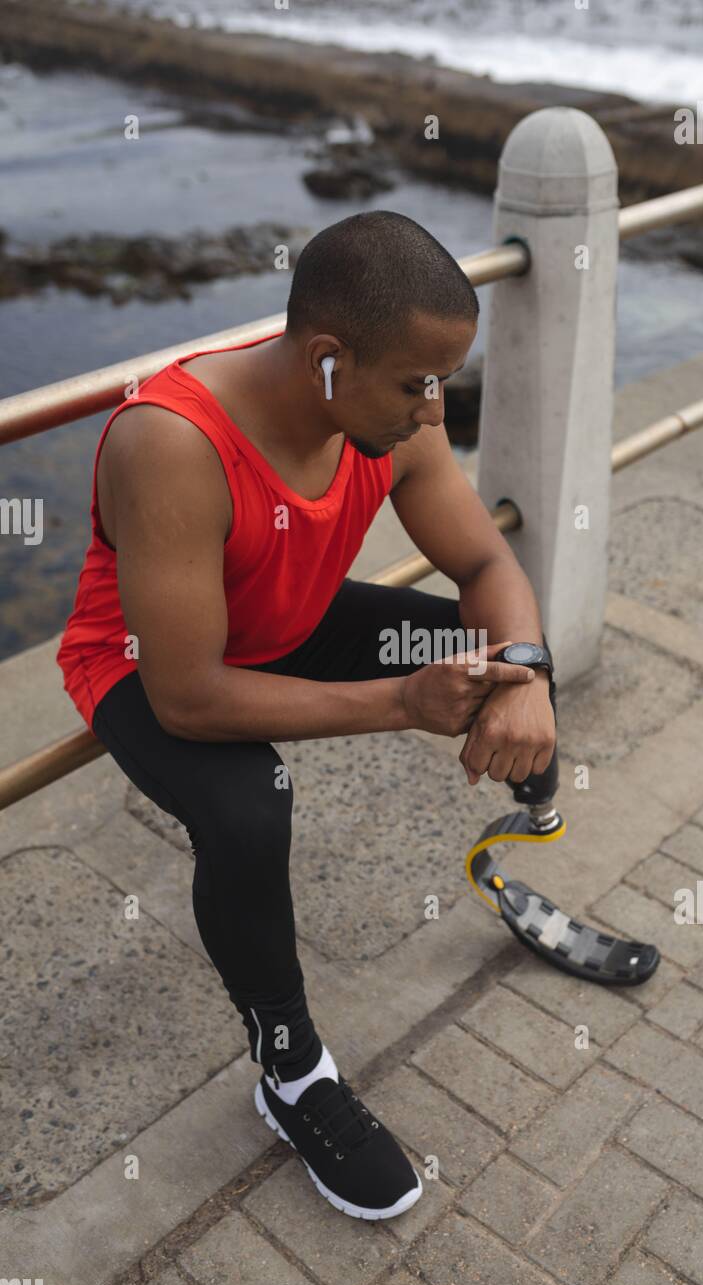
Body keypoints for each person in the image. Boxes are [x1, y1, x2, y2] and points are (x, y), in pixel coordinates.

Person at [56, 210, 558, 1221]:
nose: (434, 410)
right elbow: (190, 696)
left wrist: (528, 677)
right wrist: (400, 705)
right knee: (248, 809)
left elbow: (481, 563)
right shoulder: (173, 443)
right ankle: (291, 1070)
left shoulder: (389, 421)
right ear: (329, 362)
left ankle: (525, 824)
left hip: (283, 618)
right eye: (418, 384)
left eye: (443, 383)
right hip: (149, 664)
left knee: (493, 654)